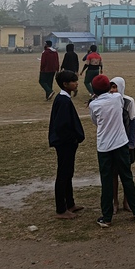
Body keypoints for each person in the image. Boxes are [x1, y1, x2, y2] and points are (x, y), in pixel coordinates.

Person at [88, 74, 135, 227]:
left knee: (106, 181)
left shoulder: (93, 105)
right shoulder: (117, 98)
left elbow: (95, 121)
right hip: (121, 144)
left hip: (104, 146)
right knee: (127, 177)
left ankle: (106, 217)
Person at [47, 70, 85, 219]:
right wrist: (73, 139)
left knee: (68, 172)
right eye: (73, 81)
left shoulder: (64, 98)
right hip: (65, 143)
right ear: (65, 84)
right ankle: (61, 209)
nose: (76, 83)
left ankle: (70, 203)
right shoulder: (63, 100)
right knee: (63, 174)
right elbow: (62, 125)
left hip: (67, 142)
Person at [110, 77, 135, 213]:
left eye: (115, 87)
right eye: (111, 87)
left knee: (126, 173)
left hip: (126, 143)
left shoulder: (128, 101)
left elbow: (133, 122)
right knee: (113, 173)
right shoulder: (107, 100)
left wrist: (131, 143)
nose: (113, 90)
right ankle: (114, 201)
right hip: (113, 143)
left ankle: (126, 201)